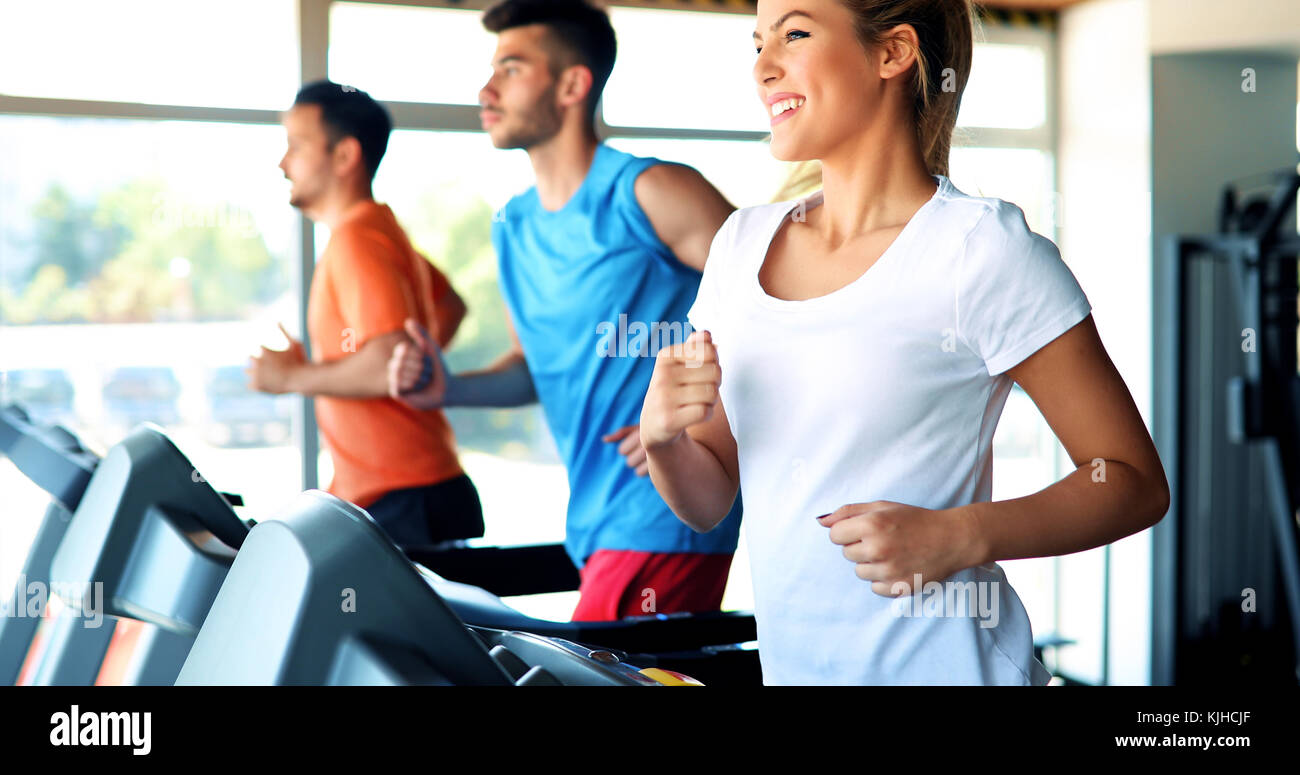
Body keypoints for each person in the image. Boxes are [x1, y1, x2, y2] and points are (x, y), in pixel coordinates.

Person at [639, 0, 1170, 685]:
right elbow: (710, 498)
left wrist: (960, 534)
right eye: (757, 43)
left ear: (893, 53)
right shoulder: (739, 247)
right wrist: (664, 442)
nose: (764, 67)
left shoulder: (981, 251)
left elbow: (1130, 480)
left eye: (794, 34)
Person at [388, 0, 743, 622]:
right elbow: (532, 368)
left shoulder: (652, 191)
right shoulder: (513, 226)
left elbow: (786, 307)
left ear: (573, 85)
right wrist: (448, 389)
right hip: (593, 520)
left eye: (512, 69)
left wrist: (695, 416)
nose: (486, 88)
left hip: (665, 513)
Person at [249, 80, 483, 546]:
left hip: (404, 495)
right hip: (411, 491)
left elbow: (383, 359)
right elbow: (447, 307)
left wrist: (292, 376)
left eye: (296, 146)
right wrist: (409, 367)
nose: (281, 163)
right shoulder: (378, 228)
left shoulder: (357, 241)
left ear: (344, 156)